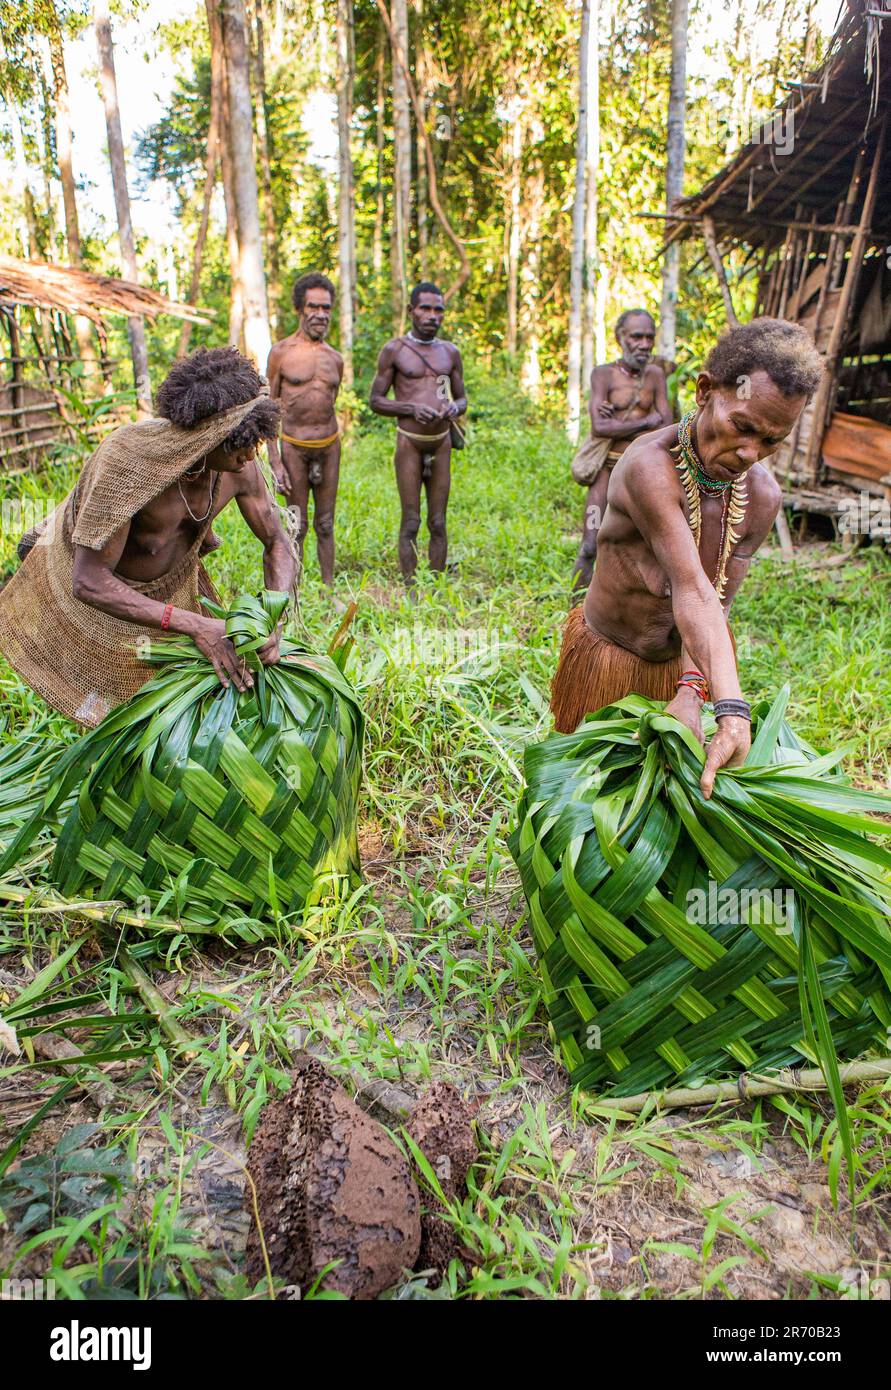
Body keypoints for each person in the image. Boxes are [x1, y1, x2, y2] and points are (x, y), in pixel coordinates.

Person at [551, 317, 824, 796]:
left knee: (668, 816)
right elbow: (691, 586)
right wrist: (732, 710)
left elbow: (716, 602)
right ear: (704, 391)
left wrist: (693, 690)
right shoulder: (647, 467)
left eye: (771, 441)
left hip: (681, 664)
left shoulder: (760, 496)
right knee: (582, 808)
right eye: (743, 427)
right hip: (610, 656)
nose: (749, 452)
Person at [0, 346, 294, 727]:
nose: (250, 457)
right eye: (240, 444)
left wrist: (274, 616)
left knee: (177, 714)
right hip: (100, 600)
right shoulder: (129, 466)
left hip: (171, 591)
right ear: (205, 439)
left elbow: (277, 543)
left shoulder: (238, 470)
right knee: (111, 719)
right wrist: (195, 624)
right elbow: (88, 581)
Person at [369, 282, 467, 584]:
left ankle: (436, 588)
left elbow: (463, 398)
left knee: (438, 521)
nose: (432, 315)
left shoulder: (450, 353)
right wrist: (410, 408)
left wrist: (455, 408)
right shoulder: (395, 350)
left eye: (438, 310)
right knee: (411, 519)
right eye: (425, 308)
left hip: (441, 444)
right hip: (409, 443)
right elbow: (376, 400)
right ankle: (411, 588)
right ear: (411, 310)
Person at [572, 309, 673, 589]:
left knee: (638, 547)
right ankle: (574, 614)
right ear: (621, 338)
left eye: (649, 338)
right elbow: (600, 429)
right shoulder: (603, 375)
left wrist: (620, 422)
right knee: (591, 544)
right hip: (606, 469)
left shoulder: (655, 376)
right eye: (636, 337)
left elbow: (665, 426)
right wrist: (647, 420)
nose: (643, 344)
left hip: (640, 473)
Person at [266, 272, 344, 587]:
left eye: (326, 308)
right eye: (314, 307)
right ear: (300, 308)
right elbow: (269, 408)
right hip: (294, 448)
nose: (321, 314)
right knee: (297, 525)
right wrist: (275, 462)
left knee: (326, 523)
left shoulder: (335, 359)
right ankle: (294, 592)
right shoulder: (281, 353)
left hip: (329, 446)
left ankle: (328, 590)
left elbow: (329, 403)